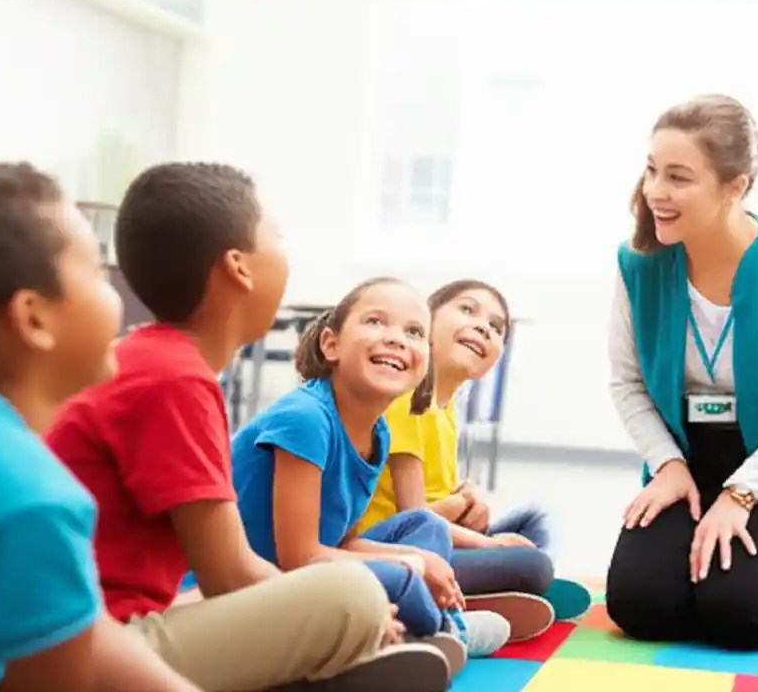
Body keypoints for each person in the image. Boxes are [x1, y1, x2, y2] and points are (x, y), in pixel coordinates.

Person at [45, 163, 451, 692]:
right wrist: (353, 613)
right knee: (349, 596)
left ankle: (350, 655)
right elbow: (229, 574)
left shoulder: (163, 362)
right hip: (98, 647)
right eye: (275, 235)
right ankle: (350, 654)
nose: (286, 250)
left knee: (351, 589)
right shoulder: (174, 378)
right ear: (239, 268)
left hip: (117, 622)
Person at [0, 163, 195, 691]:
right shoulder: (22, 497)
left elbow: (86, 629)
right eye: (97, 270)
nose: (114, 290)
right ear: (33, 318)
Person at [605, 94, 758, 651]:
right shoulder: (637, 262)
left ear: (734, 186)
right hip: (686, 459)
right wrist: (666, 464)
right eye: (651, 171)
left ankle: (745, 573)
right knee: (640, 606)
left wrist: (740, 495)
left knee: (741, 615)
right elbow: (627, 383)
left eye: (678, 178)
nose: (656, 193)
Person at [230, 277, 512, 669]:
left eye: (414, 332)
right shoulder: (305, 418)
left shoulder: (376, 431)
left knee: (423, 529)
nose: (397, 339)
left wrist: (413, 553)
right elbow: (299, 556)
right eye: (376, 322)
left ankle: (410, 631)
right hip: (258, 585)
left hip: (312, 572)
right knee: (404, 576)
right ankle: (439, 630)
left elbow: (344, 542)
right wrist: (412, 565)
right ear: (332, 344)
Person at [358, 279, 592, 635]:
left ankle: (498, 592)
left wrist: (469, 502)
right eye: (467, 309)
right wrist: (483, 537)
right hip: (400, 547)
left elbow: (441, 497)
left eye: (496, 327)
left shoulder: (446, 408)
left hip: (440, 540)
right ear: (427, 321)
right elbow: (415, 517)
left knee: (535, 519)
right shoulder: (407, 398)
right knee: (532, 565)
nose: (483, 325)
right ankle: (487, 595)